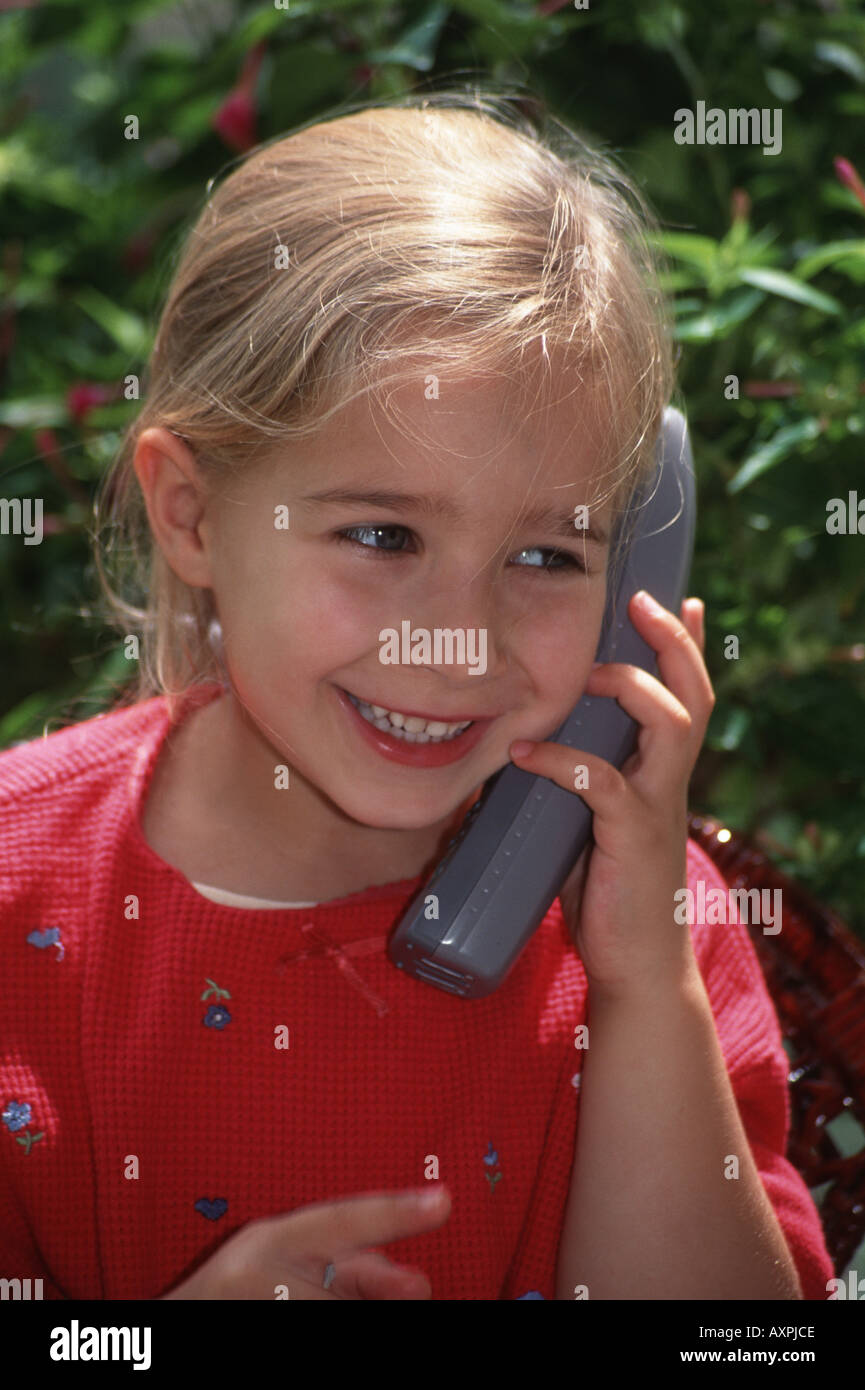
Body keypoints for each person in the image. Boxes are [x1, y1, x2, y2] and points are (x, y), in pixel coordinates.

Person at [0, 90, 834, 1300]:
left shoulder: (643, 917)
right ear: (189, 513)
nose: (458, 644)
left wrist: (645, 985)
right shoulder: (24, 893)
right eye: (383, 534)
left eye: (549, 555)